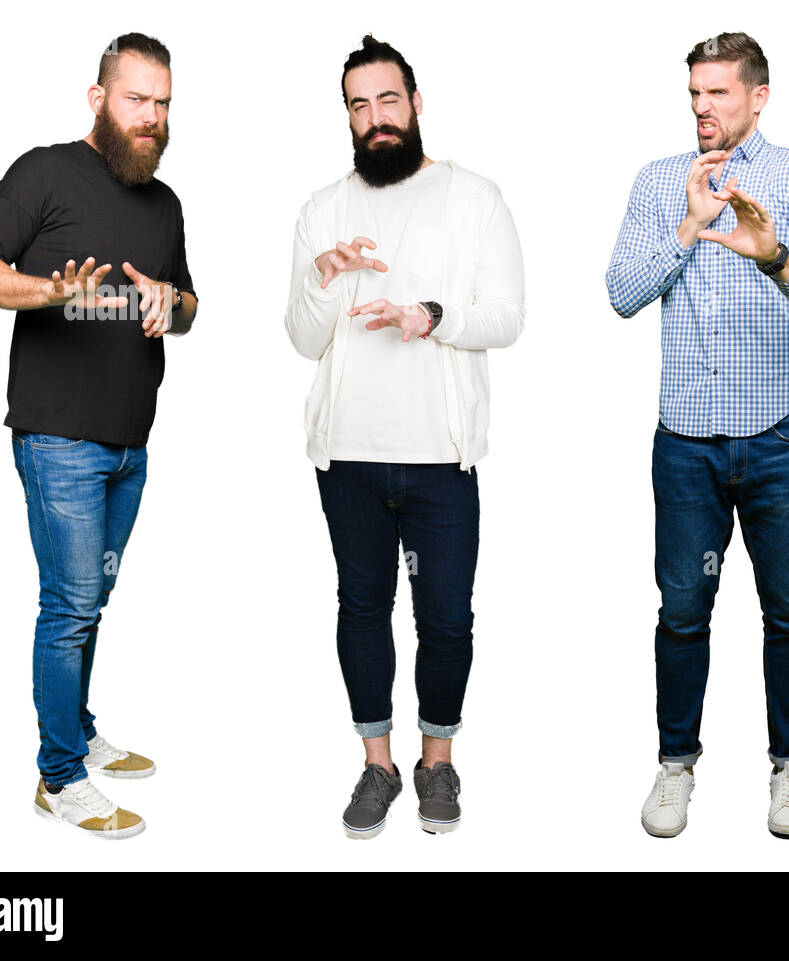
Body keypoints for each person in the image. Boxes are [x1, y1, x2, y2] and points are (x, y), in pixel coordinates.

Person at [606, 32, 789, 839]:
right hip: (686, 445)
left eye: (717, 93)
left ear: (759, 95)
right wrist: (688, 224)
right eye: (694, 94)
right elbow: (620, 293)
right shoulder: (659, 182)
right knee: (681, 610)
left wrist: (774, 256)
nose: (702, 108)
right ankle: (675, 766)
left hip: (780, 439)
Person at [0, 33, 197, 839]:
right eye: (136, 100)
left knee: (92, 599)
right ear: (99, 98)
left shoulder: (164, 203)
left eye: (162, 103)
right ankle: (58, 776)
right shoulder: (44, 172)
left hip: (131, 443)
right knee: (67, 606)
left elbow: (190, 305)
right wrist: (48, 290)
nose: (151, 118)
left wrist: (172, 300)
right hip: (58, 438)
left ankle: (81, 731)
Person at [285, 35, 525, 839]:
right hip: (347, 454)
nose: (376, 118)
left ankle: (438, 760)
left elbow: (507, 315)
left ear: (416, 104)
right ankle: (377, 765)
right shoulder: (323, 210)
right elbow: (302, 338)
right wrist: (322, 280)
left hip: (439, 457)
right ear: (348, 117)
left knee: (447, 618)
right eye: (360, 105)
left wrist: (429, 316)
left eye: (389, 100)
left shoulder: (475, 197)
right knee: (362, 607)